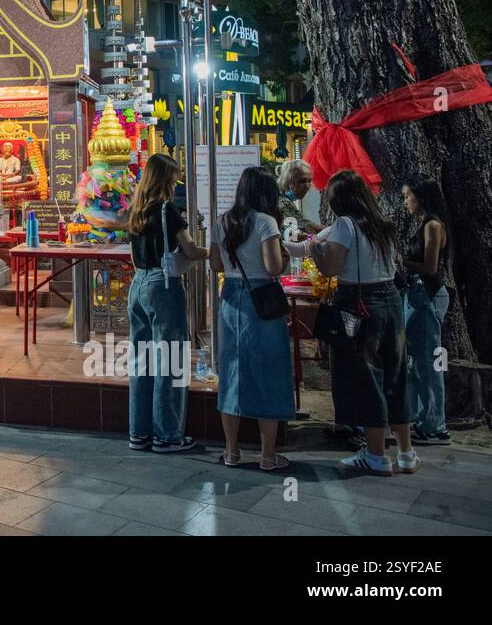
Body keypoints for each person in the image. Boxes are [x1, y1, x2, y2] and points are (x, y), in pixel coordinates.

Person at [288, 169, 414, 475]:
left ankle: (375, 455)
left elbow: (330, 268)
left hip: (357, 306)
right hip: (391, 302)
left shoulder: (345, 225)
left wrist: (317, 252)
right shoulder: (381, 224)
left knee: (364, 374)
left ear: (340, 198)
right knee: (394, 375)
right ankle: (407, 454)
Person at [210, 166, 296, 470]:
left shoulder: (222, 221)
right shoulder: (265, 222)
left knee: (232, 373)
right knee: (268, 374)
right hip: (262, 302)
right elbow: (273, 267)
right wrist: (285, 256)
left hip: (231, 301)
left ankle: (232, 452)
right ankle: (268, 456)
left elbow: (216, 265)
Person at [125, 153, 209, 453]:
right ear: (165, 180)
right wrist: (212, 251)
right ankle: (167, 435)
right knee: (170, 360)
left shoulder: (136, 210)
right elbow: (190, 248)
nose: (176, 184)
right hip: (163, 286)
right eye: (174, 179)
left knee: (142, 360)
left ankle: (139, 432)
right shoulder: (167, 210)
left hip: (137, 285)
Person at [402, 177, 451, 445]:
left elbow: (430, 267)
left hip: (427, 296)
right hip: (418, 294)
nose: (405, 201)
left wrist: (402, 261)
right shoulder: (422, 224)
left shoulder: (433, 226)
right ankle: (423, 418)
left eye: (408, 195)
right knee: (417, 361)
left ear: (420, 197)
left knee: (430, 362)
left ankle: (434, 424)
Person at [276, 159, 324, 237]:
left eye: (309, 181)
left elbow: (304, 223)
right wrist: (314, 239)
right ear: (288, 181)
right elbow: (293, 235)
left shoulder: (285, 199)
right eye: (302, 181)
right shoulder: (282, 202)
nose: (307, 186)